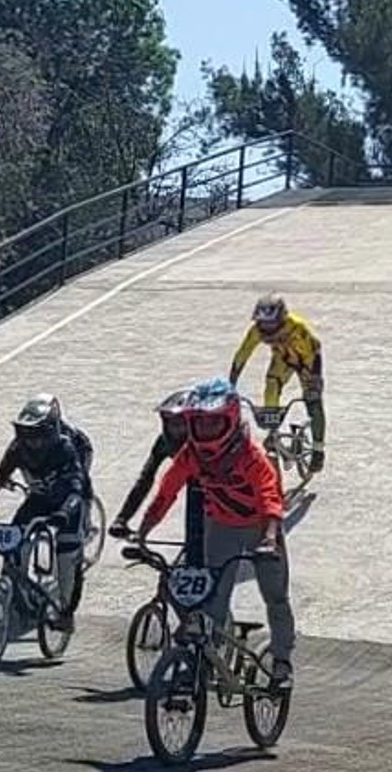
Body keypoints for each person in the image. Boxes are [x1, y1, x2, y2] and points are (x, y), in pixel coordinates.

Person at [133, 377, 294, 689]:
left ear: (231, 420)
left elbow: (271, 499)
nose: (204, 431)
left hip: (261, 528)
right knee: (213, 600)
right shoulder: (192, 454)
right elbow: (167, 491)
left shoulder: (251, 456)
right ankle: (206, 662)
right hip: (221, 527)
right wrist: (144, 530)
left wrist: (270, 538)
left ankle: (282, 661)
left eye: (212, 423)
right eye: (199, 423)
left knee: (275, 595)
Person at [0, 395, 89, 630]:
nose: (32, 443)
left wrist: (65, 513)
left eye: (37, 437)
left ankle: (67, 613)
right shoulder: (17, 449)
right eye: (26, 436)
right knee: (14, 544)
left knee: (67, 559)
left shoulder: (66, 448)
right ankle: (19, 595)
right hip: (38, 500)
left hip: (67, 505)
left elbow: (76, 486)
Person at [228, 292, 326, 474]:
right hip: (282, 358)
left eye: (271, 324)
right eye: (263, 324)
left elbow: (316, 349)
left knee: (313, 402)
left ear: (282, 319)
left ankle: (319, 450)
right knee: (271, 387)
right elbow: (243, 354)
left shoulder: (297, 327)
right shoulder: (257, 330)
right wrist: (230, 384)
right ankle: (273, 431)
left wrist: (315, 381)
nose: (266, 329)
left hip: (308, 361)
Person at [109, 387, 206, 568]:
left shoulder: (206, 441)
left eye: (179, 424)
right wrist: (123, 518)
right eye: (169, 423)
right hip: (186, 478)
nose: (174, 430)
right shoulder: (164, 442)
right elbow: (146, 480)